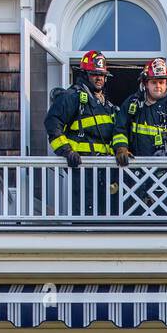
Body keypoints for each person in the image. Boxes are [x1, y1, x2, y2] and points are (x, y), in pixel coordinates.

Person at [44, 49, 118, 216]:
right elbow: (52, 122)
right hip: (82, 167)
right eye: (94, 74)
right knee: (85, 214)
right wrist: (67, 151)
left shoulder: (107, 105)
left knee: (107, 212)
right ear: (85, 74)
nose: (99, 78)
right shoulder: (72, 96)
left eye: (102, 75)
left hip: (105, 170)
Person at [112, 58, 167, 165]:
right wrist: (121, 147)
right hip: (137, 168)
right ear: (146, 84)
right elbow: (120, 128)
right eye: (154, 82)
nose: (158, 86)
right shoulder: (132, 104)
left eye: (161, 82)